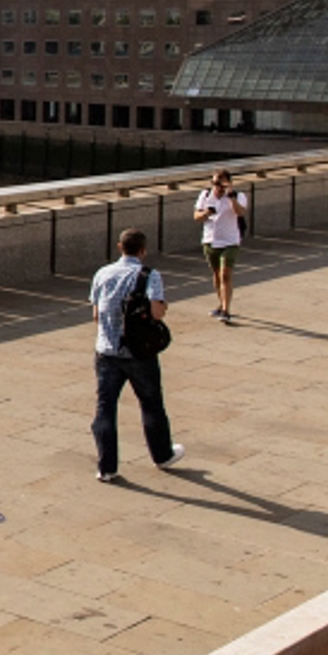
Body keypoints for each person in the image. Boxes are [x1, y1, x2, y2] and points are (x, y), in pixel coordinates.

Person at [89, 228, 183, 484]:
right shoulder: (149, 275)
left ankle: (106, 467)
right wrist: (162, 307)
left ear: (120, 247)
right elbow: (156, 312)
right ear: (143, 250)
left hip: (106, 351)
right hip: (138, 351)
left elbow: (96, 315)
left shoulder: (103, 273)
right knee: (151, 403)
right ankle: (162, 455)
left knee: (105, 409)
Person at [194, 169, 249, 323]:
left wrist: (231, 197)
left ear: (228, 183)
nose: (217, 187)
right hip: (210, 240)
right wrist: (206, 213)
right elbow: (196, 216)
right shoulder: (205, 195)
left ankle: (226, 310)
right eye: (215, 183)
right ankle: (221, 303)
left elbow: (240, 212)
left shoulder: (238, 196)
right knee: (217, 274)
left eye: (221, 183)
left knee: (226, 274)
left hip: (230, 241)